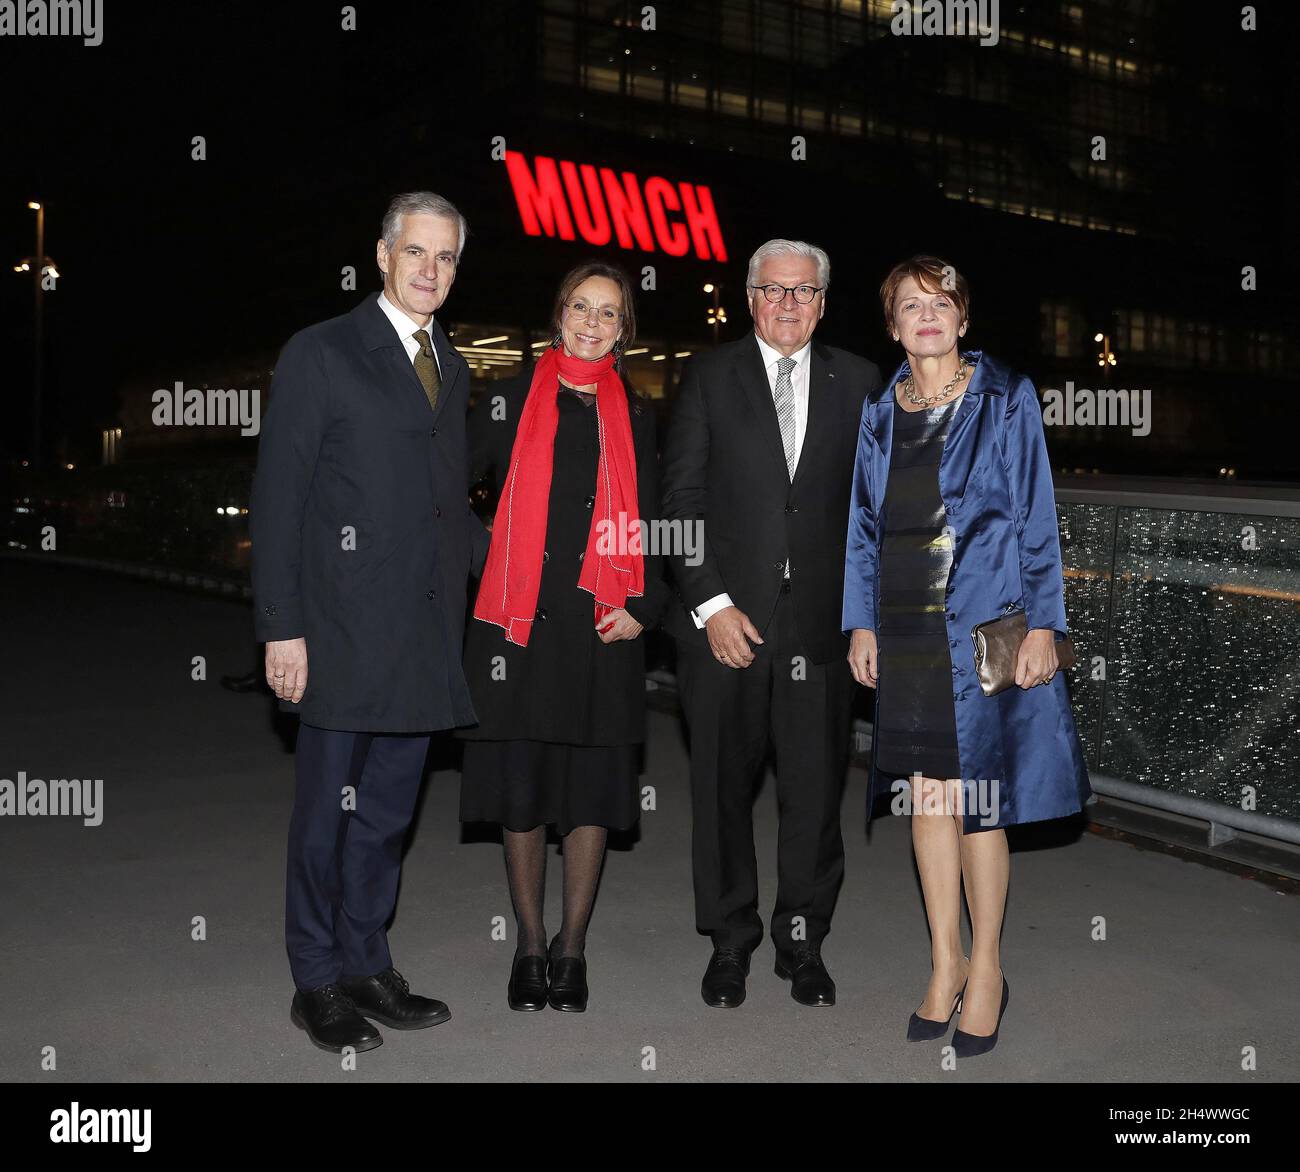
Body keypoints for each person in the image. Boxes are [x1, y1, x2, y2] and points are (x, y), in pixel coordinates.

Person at [250, 191, 488, 1054]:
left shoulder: (451, 362)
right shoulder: (321, 352)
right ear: (382, 255)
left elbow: (444, 506)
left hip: (424, 634)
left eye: (447, 258)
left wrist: (523, 565)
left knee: (388, 813)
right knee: (327, 814)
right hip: (339, 633)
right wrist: (282, 626)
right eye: (416, 253)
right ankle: (314, 979)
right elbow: (280, 499)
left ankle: (365, 960)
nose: (431, 271)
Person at [843, 255, 1091, 1057]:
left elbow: (1035, 514)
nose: (927, 315)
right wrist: (861, 624)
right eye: (910, 305)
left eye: (940, 302)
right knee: (927, 797)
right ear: (892, 326)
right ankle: (944, 962)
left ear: (962, 318)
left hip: (984, 628)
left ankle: (987, 967)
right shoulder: (881, 412)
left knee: (979, 798)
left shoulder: (1005, 397)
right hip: (907, 629)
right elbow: (862, 530)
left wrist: (1046, 624)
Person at [660, 239, 881, 1008]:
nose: (789, 305)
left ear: (823, 301)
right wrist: (712, 606)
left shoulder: (859, 381)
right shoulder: (708, 375)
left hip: (821, 630)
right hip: (725, 626)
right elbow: (678, 505)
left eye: (805, 292)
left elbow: (873, 514)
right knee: (722, 787)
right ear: (751, 297)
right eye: (775, 291)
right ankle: (730, 942)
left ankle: (802, 942)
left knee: (816, 794)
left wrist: (865, 620)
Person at [459, 261, 672, 1013]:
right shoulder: (510, 397)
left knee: (590, 794)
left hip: (602, 627)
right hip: (518, 629)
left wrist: (648, 605)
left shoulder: (639, 412)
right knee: (523, 791)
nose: (591, 321)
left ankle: (572, 949)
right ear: (558, 314)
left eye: (607, 312)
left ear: (624, 330)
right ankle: (527, 941)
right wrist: (485, 559)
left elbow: (665, 518)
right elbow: (452, 485)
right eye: (580, 306)